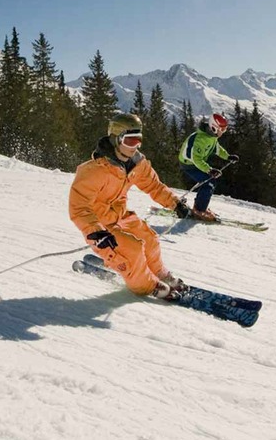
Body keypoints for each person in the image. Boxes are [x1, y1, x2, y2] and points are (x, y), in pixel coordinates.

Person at [68, 112, 193, 300]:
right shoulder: (94, 170)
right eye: (130, 141)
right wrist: (96, 232)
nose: (135, 147)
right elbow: (79, 207)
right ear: (116, 139)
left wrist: (174, 203)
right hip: (102, 228)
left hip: (122, 217)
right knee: (132, 250)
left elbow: (153, 185)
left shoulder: (136, 164)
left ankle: (159, 273)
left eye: (138, 141)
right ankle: (147, 285)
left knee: (150, 239)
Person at [177, 113, 238, 222]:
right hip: (189, 164)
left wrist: (228, 156)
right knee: (208, 183)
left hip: (196, 163)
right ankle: (199, 210)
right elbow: (196, 159)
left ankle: (200, 207)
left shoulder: (212, 136)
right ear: (214, 128)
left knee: (210, 181)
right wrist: (209, 170)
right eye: (222, 130)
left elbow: (216, 148)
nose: (223, 132)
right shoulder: (200, 139)